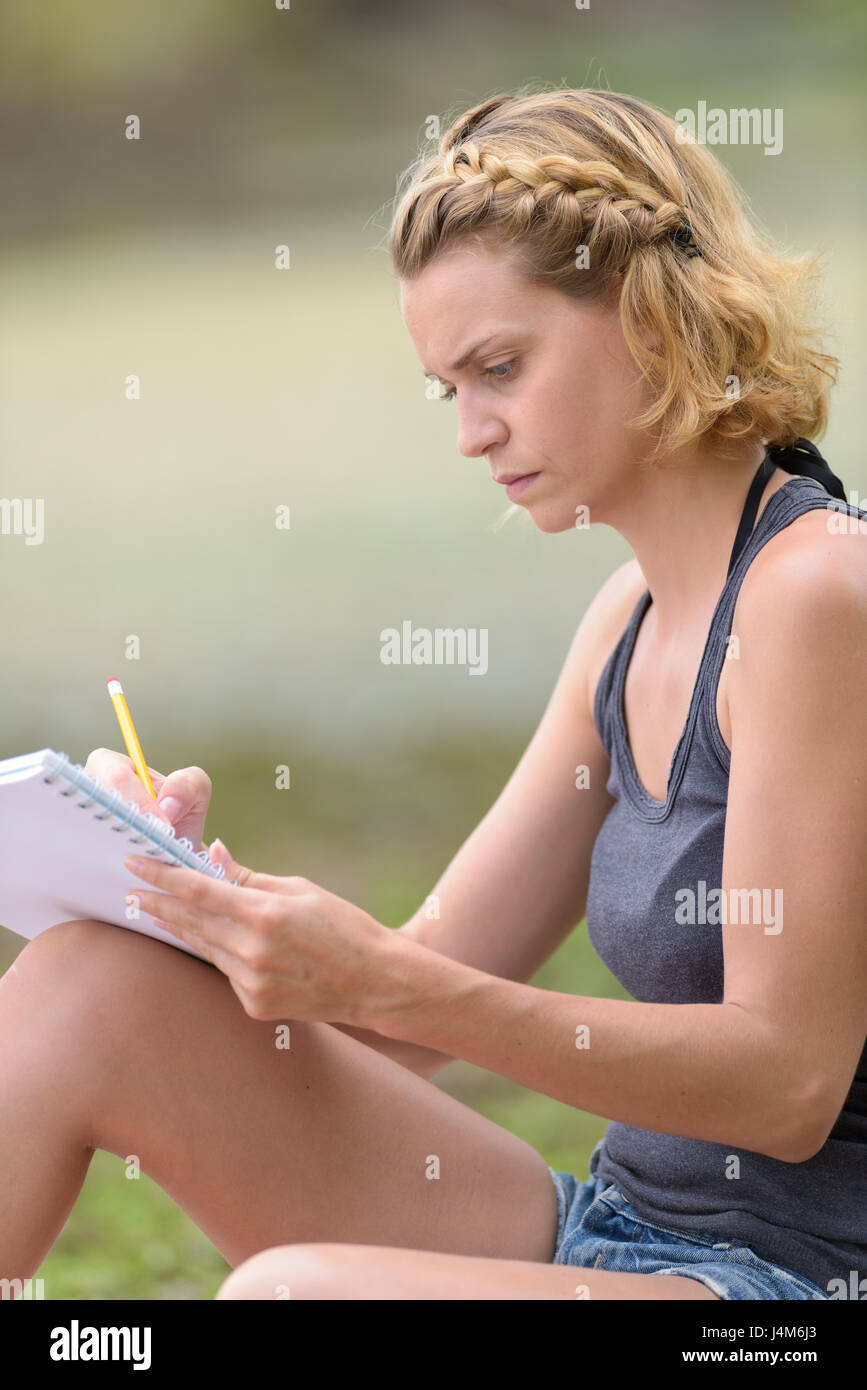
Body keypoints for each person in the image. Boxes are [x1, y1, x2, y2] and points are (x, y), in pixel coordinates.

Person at [2, 87, 864, 1302]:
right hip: (612, 1233)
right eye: (447, 388)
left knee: (291, 1297)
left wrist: (382, 978)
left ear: (649, 316)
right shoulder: (623, 624)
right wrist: (192, 902)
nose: (471, 433)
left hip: (788, 1291)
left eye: (500, 368)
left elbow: (788, 1087)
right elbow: (394, 1012)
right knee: (85, 983)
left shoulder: (818, 595)